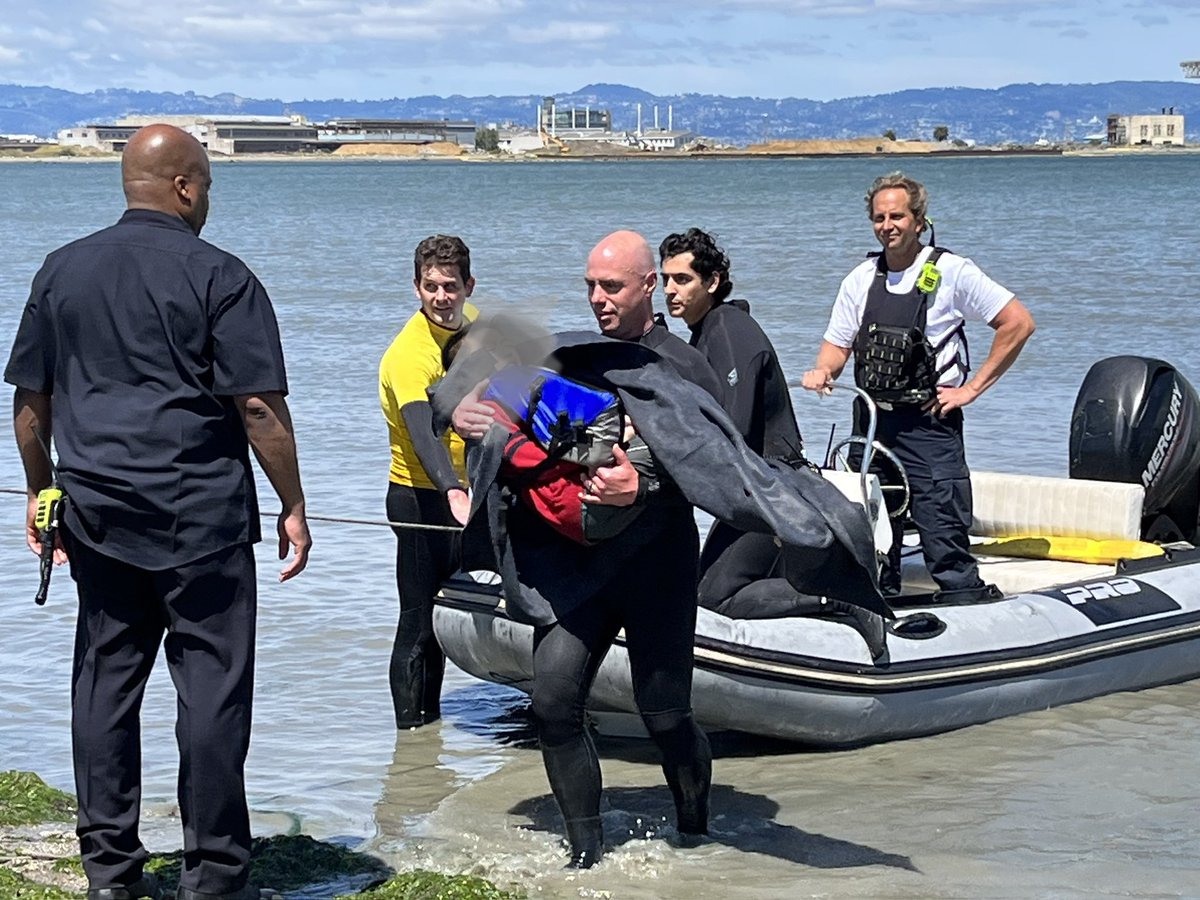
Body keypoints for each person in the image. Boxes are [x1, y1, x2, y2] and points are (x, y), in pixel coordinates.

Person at [4, 124, 311, 900]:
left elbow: (30, 410)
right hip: (200, 518)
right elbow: (258, 410)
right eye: (206, 182)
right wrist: (294, 503)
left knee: (105, 688)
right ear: (183, 186)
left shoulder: (60, 271)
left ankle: (110, 871)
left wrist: (43, 494)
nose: (207, 197)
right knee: (210, 693)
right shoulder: (221, 275)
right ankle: (213, 876)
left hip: (97, 511)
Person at [452, 231, 720, 868]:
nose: (598, 300)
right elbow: (475, 401)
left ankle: (696, 834)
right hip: (584, 565)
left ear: (648, 284)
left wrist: (643, 482)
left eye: (613, 287)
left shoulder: (684, 365)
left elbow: (721, 464)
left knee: (665, 717)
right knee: (552, 701)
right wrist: (468, 415)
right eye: (590, 288)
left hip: (659, 563)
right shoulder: (576, 357)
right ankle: (585, 855)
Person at [802, 171, 1035, 600]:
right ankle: (880, 610)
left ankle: (966, 606)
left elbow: (1017, 323)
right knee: (871, 535)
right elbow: (837, 344)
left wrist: (972, 389)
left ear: (919, 220)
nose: (887, 226)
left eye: (897, 216)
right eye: (879, 217)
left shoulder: (952, 271)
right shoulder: (859, 279)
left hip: (930, 426)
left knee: (942, 533)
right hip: (871, 426)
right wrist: (823, 371)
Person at [659, 228, 812, 615]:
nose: (670, 290)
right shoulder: (706, 334)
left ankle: (833, 601)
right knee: (702, 586)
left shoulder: (727, 330)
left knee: (711, 598)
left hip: (777, 493)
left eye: (682, 279)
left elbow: (733, 427)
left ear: (712, 282)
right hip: (753, 495)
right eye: (665, 280)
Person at [378, 234, 478, 728]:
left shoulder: (479, 329)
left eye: (451, 287)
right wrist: (453, 491)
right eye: (431, 287)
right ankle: (414, 736)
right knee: (420, 623)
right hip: (421, 499)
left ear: (468, 287)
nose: (442, 298)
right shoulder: (408, 355)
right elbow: (424, 432)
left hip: (472, 495)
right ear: (416, 288)